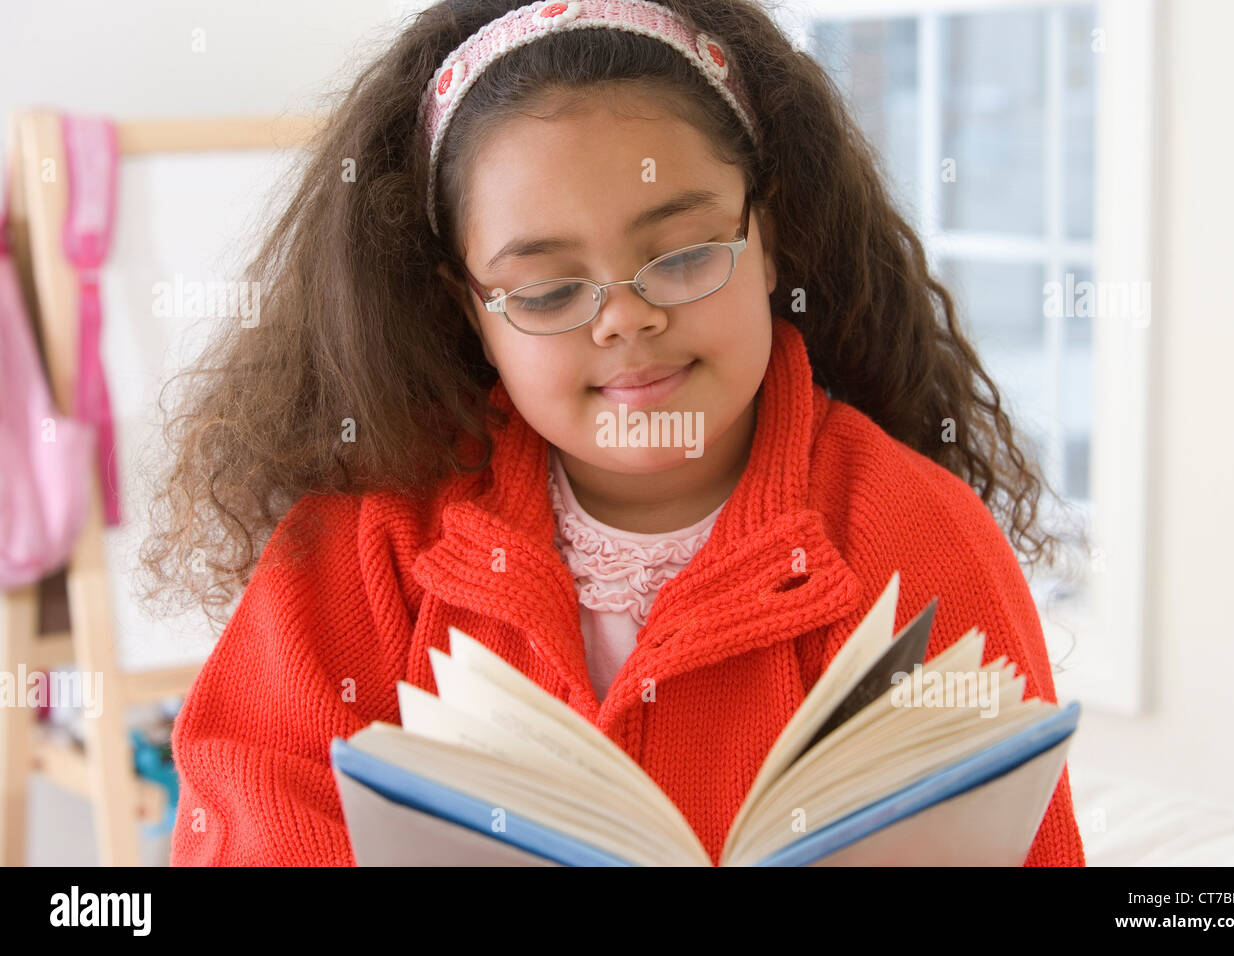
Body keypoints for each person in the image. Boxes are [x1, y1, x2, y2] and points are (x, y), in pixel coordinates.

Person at [144, 0, 1087, 866]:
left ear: (770, 240)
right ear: (467, 308)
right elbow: (250, 821)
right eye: (549, 289)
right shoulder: (360, 548)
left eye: (679, 257)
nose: (625, 320)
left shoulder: (918, 536)